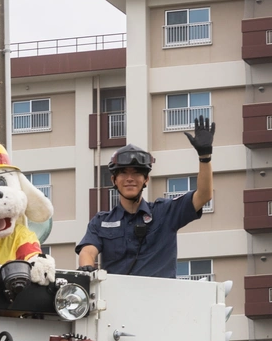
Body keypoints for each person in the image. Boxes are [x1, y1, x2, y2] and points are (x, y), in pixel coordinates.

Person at [75, 117, 215, 277]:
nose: (129, 179)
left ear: (146, 179)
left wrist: (205, 157)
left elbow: (204, 195)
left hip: (161, 298)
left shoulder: (165, 212)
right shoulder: (101, 222)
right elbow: (88, 250)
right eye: (123, 173)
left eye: (136, 173)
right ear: (113, 180)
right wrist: (86, 267)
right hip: (117, 298)